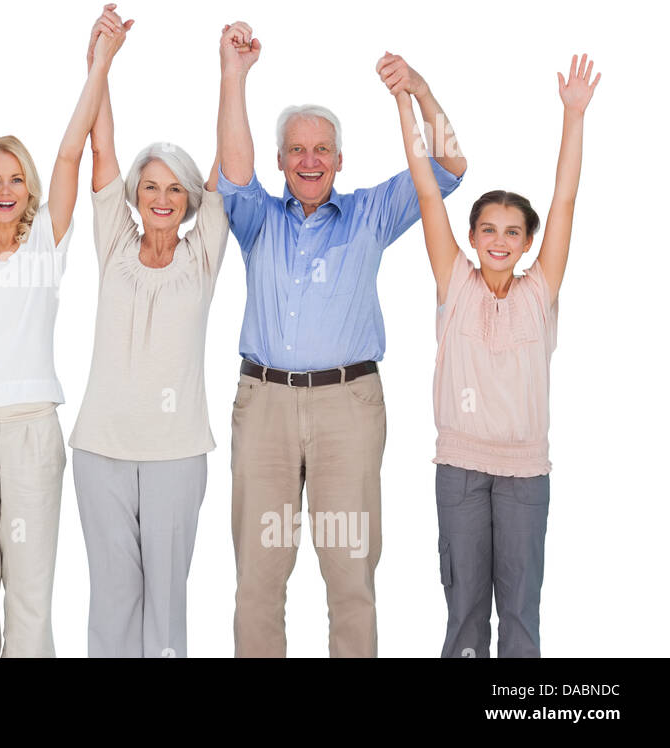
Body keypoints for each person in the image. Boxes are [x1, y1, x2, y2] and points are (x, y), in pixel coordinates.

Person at [219, 33, 469, 657]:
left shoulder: (371, 214)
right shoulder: (257, 219)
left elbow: (451, 167)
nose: (310, 161)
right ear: (280, 161)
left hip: (347, 404)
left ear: (339, 159)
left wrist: (418, 88)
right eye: (297, 150)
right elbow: (230, 169)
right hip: (266, 402)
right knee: (258, 576)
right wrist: (235, 75)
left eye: (322, 150)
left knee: (350, 575)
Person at [0, 5, 129, 657]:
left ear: (27, 186)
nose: (5, 187)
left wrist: (101, 64)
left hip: (34, 427)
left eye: (16, 177)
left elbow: (72, 151)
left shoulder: (47, 238)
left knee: (32, 602)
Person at [390, 53, 599, 658]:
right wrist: (406, 102)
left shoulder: (540, 292)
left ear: (527, 242)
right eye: (488, 229)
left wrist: (574, 116)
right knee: (463, 610)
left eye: (513, 232)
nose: (500, 241)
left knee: (521, 610)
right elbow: (427, 187)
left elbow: (563, 201)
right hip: (459, 469)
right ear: (473, 237)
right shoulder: (454, 281)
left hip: (525, 473)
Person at [67, 9, 228, 658]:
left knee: (166, 604)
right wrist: (101, 59)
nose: (162, 197)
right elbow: (100, 148)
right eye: (151, 186)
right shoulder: (114, 240)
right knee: (112, 601)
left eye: (175, 188)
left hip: (176, 452)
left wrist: (231, 75)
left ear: (190, 198)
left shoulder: (202, 253)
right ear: (137, 193)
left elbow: (231, 165)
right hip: (100, 447)